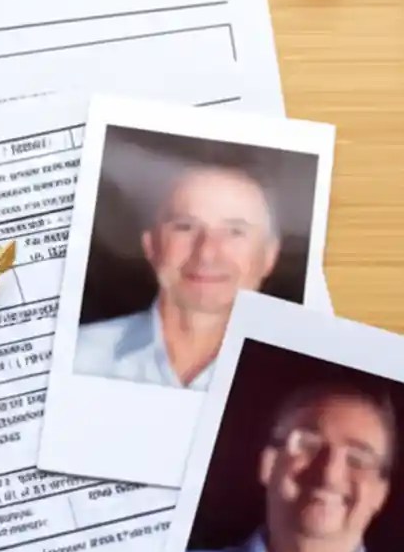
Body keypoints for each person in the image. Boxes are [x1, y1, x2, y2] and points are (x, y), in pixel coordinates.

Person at [180, 380, 404, 552]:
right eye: (309, 446)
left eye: (358, 460)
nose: (329, 474)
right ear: (268, 463)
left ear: (381, 494)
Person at [73, 164, 281, 390]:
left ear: (269, 256)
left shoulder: (286, 377)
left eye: (235, 232)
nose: (207, 253)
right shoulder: (75, 354)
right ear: (151, 245)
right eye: (185, 227)